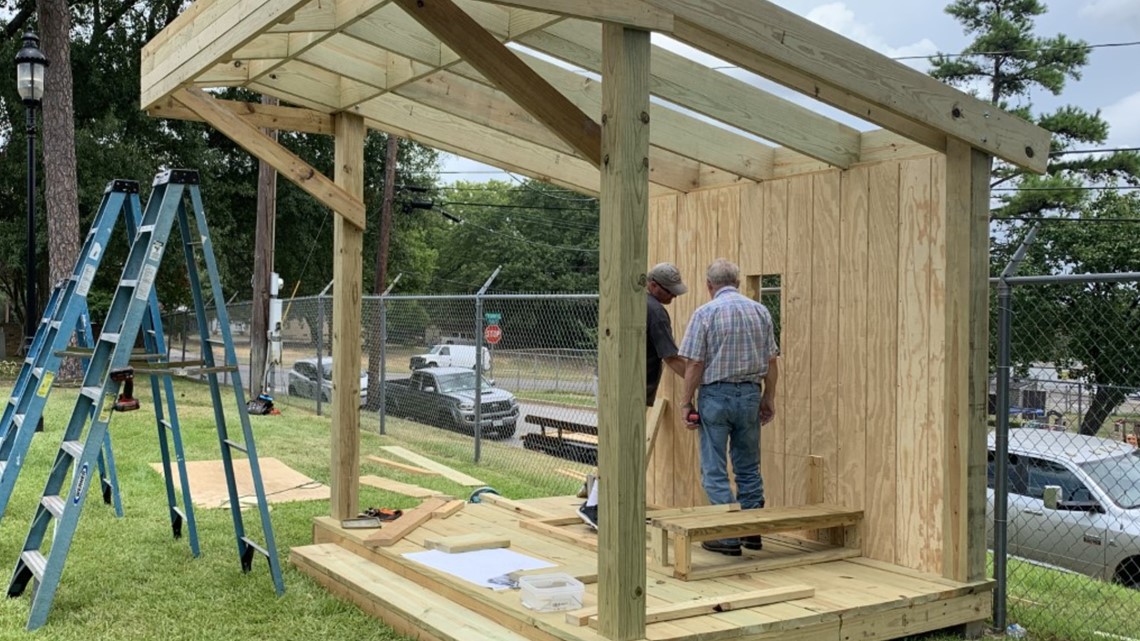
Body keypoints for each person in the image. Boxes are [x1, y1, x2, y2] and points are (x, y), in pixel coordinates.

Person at [678, 258, 779, 556]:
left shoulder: (705, 313)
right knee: (748, 465)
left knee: (715, 467)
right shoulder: (760, 311)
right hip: (749, 394)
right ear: (736, 282)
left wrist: (686, 401)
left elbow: (695, 362)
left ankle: (727, 535)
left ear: (710, 285)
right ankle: (751, 530)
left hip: (716, 396)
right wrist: (768, 397)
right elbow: (772, 361)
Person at [577, 262, 688, 530]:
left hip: (609, 381)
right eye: (669, 292)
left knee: (617, 445)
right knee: (624, 449)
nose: (673, 297)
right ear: (652, 285)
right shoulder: (655, 311)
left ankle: (595, 502)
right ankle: (596, 508)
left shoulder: (627, 301)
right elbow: (671, 357)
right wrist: (702, 381)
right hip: (631, 389)